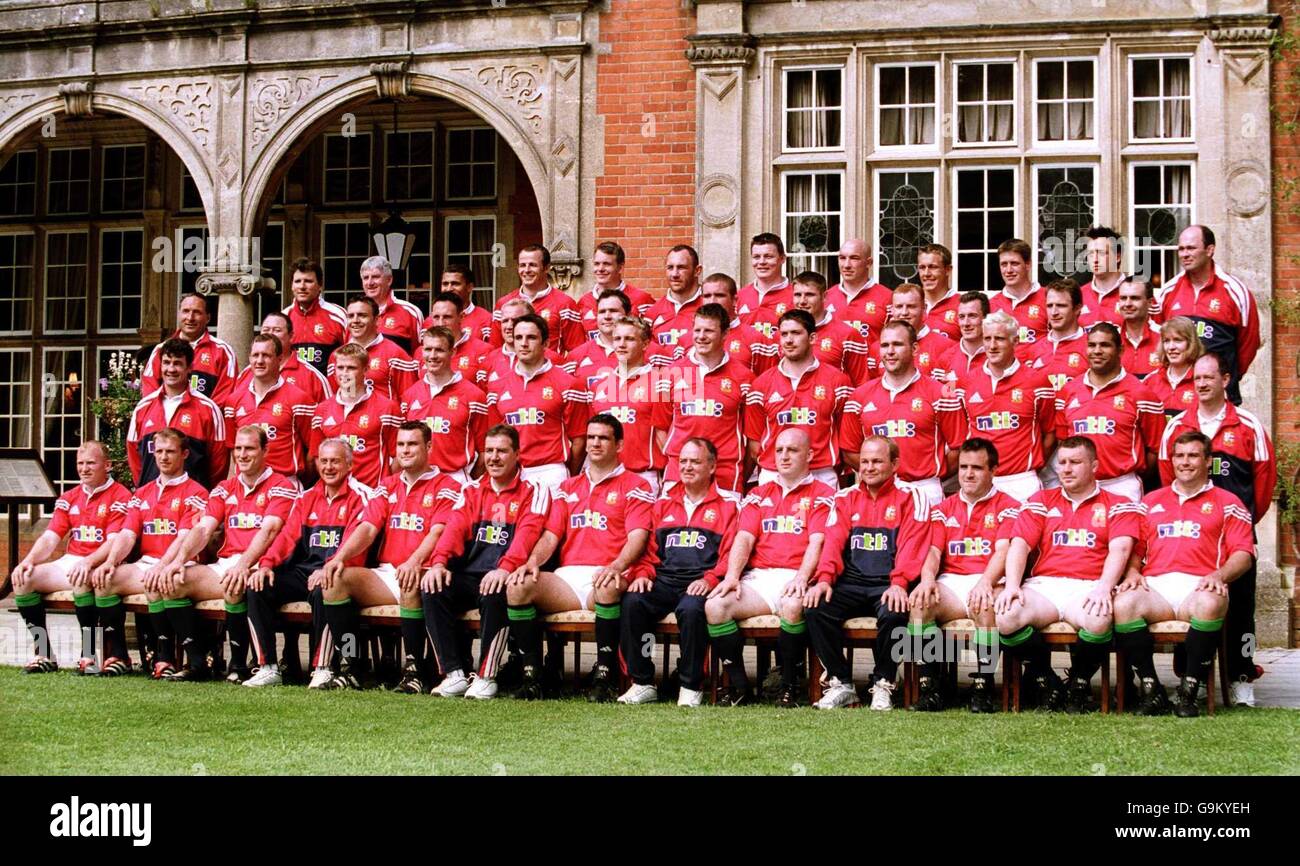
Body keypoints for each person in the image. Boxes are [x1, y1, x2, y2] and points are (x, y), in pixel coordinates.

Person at [505, 414, 655, 701]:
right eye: (591, 437)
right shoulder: (567, 487)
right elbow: (550, 536)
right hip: (569, 577)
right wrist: (532, 561)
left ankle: (605, 675)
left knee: (607, 585)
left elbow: (638, 537)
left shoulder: (637, 485)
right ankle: (533, 675)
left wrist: (616, 566)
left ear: (619, 444)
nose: (595, 443)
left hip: (608, 572)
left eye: (603, 438)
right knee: (518, 586)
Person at [1159, 352, 1276, 706]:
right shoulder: (1176, 426)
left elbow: (1264, 484)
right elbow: (1169, 479)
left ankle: (1241, 677)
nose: (1202, 384)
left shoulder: (1249, 425)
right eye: (1196, 379)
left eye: (1209, 377)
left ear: (1226, 380)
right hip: (1190, 535)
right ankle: (1187, 675)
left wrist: (1240, 522)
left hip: (1234, 535)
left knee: (1241, 609)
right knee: (1186, 599)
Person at [994, 436, 1143, 713]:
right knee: (1006, 616)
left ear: (1094, 465)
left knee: (1098, 621)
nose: (1066, 469)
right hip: (1045, 586)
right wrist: (1012, 585)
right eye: (1062, 463)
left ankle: (1078, 682)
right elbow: (1020, 545)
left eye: (1075, 462)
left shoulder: (1118, 503)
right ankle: (1046, 680)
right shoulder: (1040, 500)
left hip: (1088, 586)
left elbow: (1121, 549)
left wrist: (1103, 588)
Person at [1116, 430, 1254, 717]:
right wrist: (1131, 571)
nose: (1185, 462)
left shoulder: (1229, 502)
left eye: (1193, 455)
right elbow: (1136, 550)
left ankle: (1189, 690)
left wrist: (1220, 575)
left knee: (1211, 602)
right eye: (1179, 455)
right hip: (1157, 588)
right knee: (1124, 604)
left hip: (1199, 585)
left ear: (1207, 461)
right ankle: (1152, 690)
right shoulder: (1150, 502)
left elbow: (1244, 554)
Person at [317, 422, 461, 693]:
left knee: (410, 581)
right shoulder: (387, 486)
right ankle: (351, 664)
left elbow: (438, 532)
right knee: (335, 580)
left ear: (429, 447)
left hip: (422, 572)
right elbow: (368, 528)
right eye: (401, 445)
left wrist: (415, 561)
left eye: (412, 444)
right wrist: (339, 557)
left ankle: (416, 670)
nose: (405, 450)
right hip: (387, 574)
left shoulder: (448, 486)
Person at [159, 426, 298, 682]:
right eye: (238, 449)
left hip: (262, 566)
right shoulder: (225, 487)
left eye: (250, 448)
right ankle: (198, 662)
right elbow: (203, 529)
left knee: (234, 584)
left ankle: (238, 665)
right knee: (173, 583)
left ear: (265, 450)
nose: (242, 455)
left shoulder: (281, 485)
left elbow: (270, 531)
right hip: (226, 564)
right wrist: (178, 561)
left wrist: (244, 565)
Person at [421, 424, 550, 700]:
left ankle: (486, 676)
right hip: (469, 574)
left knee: (495, 592)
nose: (493, 457)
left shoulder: (534, 490)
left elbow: (529, 533)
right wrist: (439, 562)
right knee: (432, 586)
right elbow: (453, 528)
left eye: (502, 451)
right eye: (489, 451)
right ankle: (453, 673)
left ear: (517, 454)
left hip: (505, 574)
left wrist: (505, 568)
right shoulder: (471, 490)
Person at [707, 429, 833, 707]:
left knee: (793, 606)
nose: (784, 456)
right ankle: (739, 686)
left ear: (810, 455)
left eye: (793, 450)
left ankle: (789, 685)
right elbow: (744, 538)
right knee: (716, 606)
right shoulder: (757, 495)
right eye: (779, 450)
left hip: (799, 577)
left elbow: (818, 541)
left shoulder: (824, 495)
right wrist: (731, 576)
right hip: (761, 578)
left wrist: (803, 577)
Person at [806, 436, 932, 710]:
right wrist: (824, 579)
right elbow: (833, 542)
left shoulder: (912, 496)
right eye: (864, 461)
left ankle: (883, 683)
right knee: (815, 607)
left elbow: (914, 544)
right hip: (850, 582)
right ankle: (841, 683)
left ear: (895, 463)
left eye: (877, 461)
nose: (869, 467)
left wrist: (900, 583)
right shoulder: (844, 497)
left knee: (895, 611)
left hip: (889, 583)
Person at [618, 439, 741, 707]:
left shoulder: (729, 506)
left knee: (692, 610)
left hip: (699, 583)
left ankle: (690, 684)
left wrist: (709, 579)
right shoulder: (663, 504)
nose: (687, 467)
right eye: (682, 461)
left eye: (695, 461)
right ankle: (643, 682)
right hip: (663, 580)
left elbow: (731, 554)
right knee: (634, 602)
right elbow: (650, 552)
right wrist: (643, 574)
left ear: (711, 466)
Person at [244, 438, 374, 688]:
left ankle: (322, 667)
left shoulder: (361, 496)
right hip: (304, 571)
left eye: (335, 461)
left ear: (349, 464)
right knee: (257, 586)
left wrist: (328, 567)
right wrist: (266, 564)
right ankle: (268, 666)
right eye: (323, 461)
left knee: (324, 587)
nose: (328, 467)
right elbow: (287, 537)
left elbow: (358, 544)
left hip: (342, 572)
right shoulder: (306, 497)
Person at [907, 438, 1021, 713]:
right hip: (952, 581)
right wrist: (927, 579)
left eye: (977, 468)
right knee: (920, 603)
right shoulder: (944, 508)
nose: (968, 474)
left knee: (986, 606)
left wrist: (985, 581)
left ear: (993, 470)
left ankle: (982, 687)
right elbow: (933, 552)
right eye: (963, 467)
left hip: (989, 579)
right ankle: (931, 687)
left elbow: (1003, 550)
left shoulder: (1010, 506)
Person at [91, 428, 210, 679]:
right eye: (159, 451)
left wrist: (162, 565)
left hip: (181, 565)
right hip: (146, 564)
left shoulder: (197, 492)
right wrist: (110, 561)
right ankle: (119, 655)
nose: (164, 457)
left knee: (157, 583)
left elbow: (184, 538)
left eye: (170, 451)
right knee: (104, 581)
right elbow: (127, 534)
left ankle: (164, 657)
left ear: (185, 454)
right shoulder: (142, 493)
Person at [8, 441, 131, 675]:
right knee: (23, 579)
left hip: (103, 564)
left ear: (108, 465)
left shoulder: (120, 496)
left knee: (81, 577)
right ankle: (43, 653)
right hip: (72, 560)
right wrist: (29, 560)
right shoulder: (70, 496)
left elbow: (114, 541)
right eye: (80, 464)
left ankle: (89, 655)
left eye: (90, 463)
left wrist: (89, 561)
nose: (84, 469)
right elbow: (50, 537)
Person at [841, 320, 966, 507]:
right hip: (877, 490)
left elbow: (959, 447)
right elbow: (850, 450)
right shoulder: (859, 397)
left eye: (897, 344)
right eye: (884, 345)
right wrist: (877, 474)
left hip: (925, 490)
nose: (890, 351)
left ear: (915, 348)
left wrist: (930, 470)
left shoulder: (941, 394)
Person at [951, 311, 1057, 504]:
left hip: (1022, 481)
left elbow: (1049, 434)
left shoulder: (1038, 382)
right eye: (987, 338)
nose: (992, 346)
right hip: (979, 481)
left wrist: (1032, 464)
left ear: (1015, 341)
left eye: (999, 339)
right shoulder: (965, 383)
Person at [1053, 323, 1166, 502]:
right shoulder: (1068, 391)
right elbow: (1063, 441)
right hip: (1079, 486)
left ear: (1120, 350)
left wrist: (1133, 473)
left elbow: (1156, 448)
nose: (1097, 351)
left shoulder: (1141, 394)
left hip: (1122, 485)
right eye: (1092, 345)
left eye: (1105, 345)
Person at [653, 303, 758, 493]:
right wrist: (678, 459)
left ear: (725, 334)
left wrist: (740, 472)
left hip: (726, 474)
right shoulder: (669, 374)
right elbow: (660, 429)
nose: (701, 337)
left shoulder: (744, 378)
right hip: (679, 474)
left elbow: (752, 439)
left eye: (709, 331)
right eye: (697, 330)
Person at [745, 309, 852, 488]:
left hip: (821, 473)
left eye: (795, 333)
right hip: (773, 474)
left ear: (812, 338)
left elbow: (845, 439)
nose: (788, 340)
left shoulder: (838, 382)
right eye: (784, 334)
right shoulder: (761, 384)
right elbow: (755, 445)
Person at [1154, 225, 1260, 405]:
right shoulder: (1168, 292)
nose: (1184, 254)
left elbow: (1249, 343)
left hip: (1221, 396)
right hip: (1178, 400)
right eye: (1181, 249)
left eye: (1191, 248)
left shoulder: (1235, 291)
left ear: (1210, 250)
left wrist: (1227, 377)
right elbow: (1159, 340)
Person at [484, 313, 589, 491]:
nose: (524, 343)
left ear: (546, 343)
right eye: (518, 338)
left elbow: (580, 440)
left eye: (531, 337)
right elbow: (494, 438)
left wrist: (565, 474)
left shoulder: (568, 384)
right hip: (511, 472)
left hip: (550, 472)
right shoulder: (497, 386)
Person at [126, 337, 228, 488]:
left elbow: (219, 464)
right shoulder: (143, 408)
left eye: (178, 363)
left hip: (193, 504)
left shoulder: (208, 409)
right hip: (152, 503)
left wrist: (203, 493)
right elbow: (135, 460)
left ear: (190, 368)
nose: (171, 369)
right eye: (166, 363)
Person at [586, 316, 666, 496]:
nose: (621, 344)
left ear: (645, 344)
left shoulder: (661, 383)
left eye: (629, 339)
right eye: (617, 339)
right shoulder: (600, 384)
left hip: (643, 477)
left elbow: (666, 437)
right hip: (604, 477)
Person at [400, 327, 489, 484]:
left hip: (456, 479)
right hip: (417, 480)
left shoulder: (474, 396)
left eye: (439, 350)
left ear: (453, 352)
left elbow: (484, 452)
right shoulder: (410, 395)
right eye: (428, 349)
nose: (432, 356)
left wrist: (468, 482)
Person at [225, 333, 315, 483]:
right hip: (246, 485)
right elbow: (231, 450)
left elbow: (314, 450)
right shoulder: (233, 401)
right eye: (255, 355)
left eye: (266, 355)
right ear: (249, 358)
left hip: (285, 484)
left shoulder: (299, 399)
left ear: (279, 359)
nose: (259, 361)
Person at [310, 342, 402, 488]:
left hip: (373, 495)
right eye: (340, 368)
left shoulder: (387, 408)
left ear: (365, 370)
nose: (344, 373)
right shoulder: (322, 410)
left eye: (351, 368)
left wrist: (383, 487)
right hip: (337, 495)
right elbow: (317, 456)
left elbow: (399, 457)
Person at [140, 293, 238, 404]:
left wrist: (201, 416)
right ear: (179, 314)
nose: (190, 318)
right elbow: (149, 390)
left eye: (197, 312)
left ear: (208, 318)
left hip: (206, 420)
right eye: (186, 311)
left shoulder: (223, 351)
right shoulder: (161, 349)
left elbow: (226, 395)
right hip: (166, 420)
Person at [490, 245, 584, 353]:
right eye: (522, 265)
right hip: (511, 369)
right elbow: (495, 349)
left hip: (549, 368)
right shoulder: (503, 304)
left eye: (533, 265)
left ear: (547, 268)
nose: (526, 270)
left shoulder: (565, 305)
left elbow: (577, 352)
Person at [327, 295, 419, 402]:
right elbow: (339, 399)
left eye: (362, 315)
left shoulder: (396, 354)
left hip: (384, 417)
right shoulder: (338, 356)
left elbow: (409, 400)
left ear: (377, 320)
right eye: (351, 316)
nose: (355, 320)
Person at [790, 270, 871, 382]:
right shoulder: (783, 334)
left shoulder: (848, 335)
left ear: (824, 296)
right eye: (798, 295)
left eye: (809, 295)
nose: (802, 301)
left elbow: (861, 384)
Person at [686, 272, 776, 373]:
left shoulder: (756, 340)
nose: (712, 300)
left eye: (719, 295)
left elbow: (767, 383)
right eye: (707, 296)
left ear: (734, 300)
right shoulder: (685, 341)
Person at [872, 282, 954, 382]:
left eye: (911, 306)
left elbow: (950, 391)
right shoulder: (877, 348)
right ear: (892, 310)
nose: (904, 312)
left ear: (924, 308)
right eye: (899, 307)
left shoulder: (946, 347)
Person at [245, 311, 332, 403]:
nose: (270, 334)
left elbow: (329, 412)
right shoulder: (245, 375)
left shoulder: (313, 377)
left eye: (277, 330)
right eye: (266, 330)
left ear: (291, 337)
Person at [283, 257, 347, 376]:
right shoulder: (283, 318)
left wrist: (350, 392)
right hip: (294, 390)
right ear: (291, 286)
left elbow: (354, 359)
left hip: (328, 391)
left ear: (320, 285)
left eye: (308, 281)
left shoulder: (339, 316)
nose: (302, 286)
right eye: (297, 281)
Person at [988, 239, 1048, 361]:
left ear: (1028, 264)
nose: (1008, 270)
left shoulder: (1048, 298)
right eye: (1004, 264)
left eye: (1014, 263)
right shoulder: (991, 305)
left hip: (1038, 374)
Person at [827, 238, 892, 348]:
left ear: (869, 263)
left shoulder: (888, 298)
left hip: (870, 364)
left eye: (854, 258)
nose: (846, 265)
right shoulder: (826, 297)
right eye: (842, 258)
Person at [1028, 279, 1089, 393]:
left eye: (1061, 306)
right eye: (1050, 306)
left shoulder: (1091, 348)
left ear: (1077, 308)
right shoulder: (1034, 349)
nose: (1054, 312)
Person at [580, 241, 654, 334]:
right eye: (597, 264)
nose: (600, 269)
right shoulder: (583, 302)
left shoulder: (642, 300)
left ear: (620, 268)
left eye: (607, 264)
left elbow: (650, 339)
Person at [482, 297, 566, 376]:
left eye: (515, 321)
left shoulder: (554, 360)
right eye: (505, 321)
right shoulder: (488, 361)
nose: (509, 326)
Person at [424, 291, 492, 387]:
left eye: (447, 317)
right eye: (436, 317)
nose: (440, 323)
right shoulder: (421, 352)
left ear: (461, 317)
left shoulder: (483, 351)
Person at [360, 255, 425, 356]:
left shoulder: (411, 313)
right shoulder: (353, 315)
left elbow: (420, 355)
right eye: (365, 278)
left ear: (389, 280)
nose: (370, 282)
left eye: (376, 277)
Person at [645, 245, 705, 354]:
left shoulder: (710, 306)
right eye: (670, 268)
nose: (674, 274)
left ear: (697, 270)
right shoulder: (652, 313)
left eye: (681, 267)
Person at [421, 264, 492, 343]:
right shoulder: (429, 321)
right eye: (445, 284)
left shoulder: (486, 319)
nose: (449, 288)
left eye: (455, 284)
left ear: (469, 287)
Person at [1147, 316, 1203, 416]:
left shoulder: (1203, 380)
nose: (1171, 347)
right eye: (1166, 341)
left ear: (1191, 343)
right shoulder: (1150, 381)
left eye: (1178, 340)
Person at [1078, 227, 1131, 328]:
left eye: (1101, 253)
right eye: (1091, 254)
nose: (1095, 259)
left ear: (1118, 257)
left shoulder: (1138, 295)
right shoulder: (1078, 296)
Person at [736, 232, 793, 325]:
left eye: (768, 256)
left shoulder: (796, 296)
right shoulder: (740, 296)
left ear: (782, 259)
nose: (762, 262)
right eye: (756, 257)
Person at [1117, 279, 1162, 379]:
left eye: (1135, 298)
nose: (1127, 304)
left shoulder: (1164, 337)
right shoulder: (1112, 339)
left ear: (1150, 302)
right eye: (1123, 298)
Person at [917, 243, 961, 341]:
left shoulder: (962, 305)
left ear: (948, 270)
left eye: (933, 267)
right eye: (922, 267)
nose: (926, 273)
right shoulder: (909, 306)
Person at [947, 291, 990, 379]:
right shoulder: (946, 358)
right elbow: (944, 392)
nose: (966, 323)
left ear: (986, 318)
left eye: (972, 316)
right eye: (962, 317)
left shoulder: (999, 357)